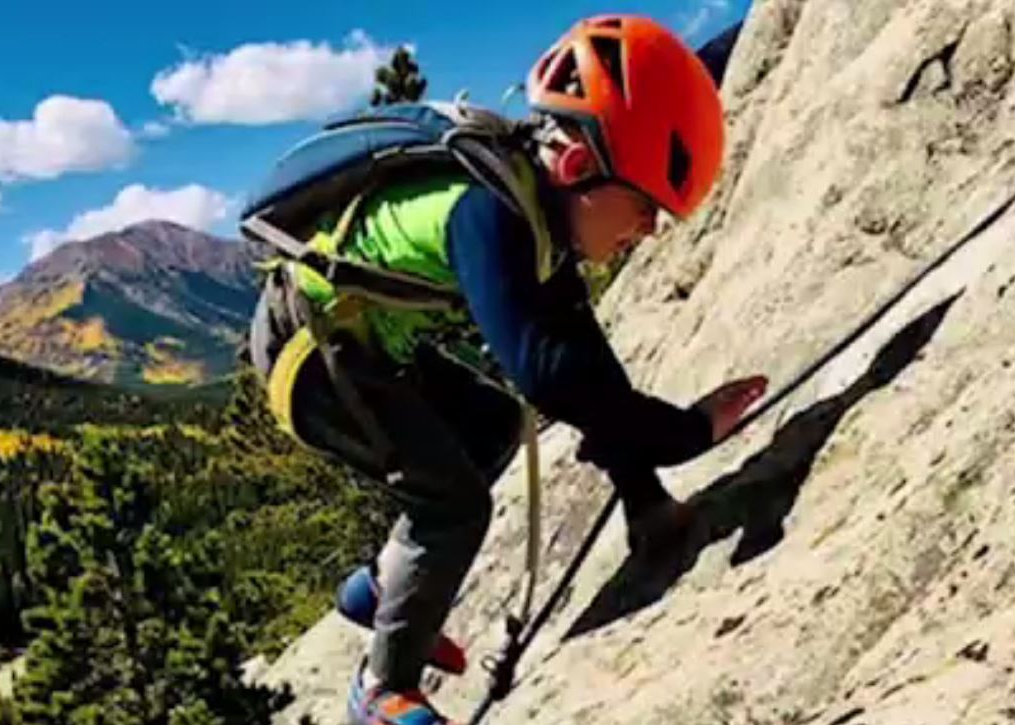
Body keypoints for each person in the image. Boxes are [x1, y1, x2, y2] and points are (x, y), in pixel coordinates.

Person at [248, 14, 767, 725]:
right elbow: (549, 375)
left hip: (360, 341)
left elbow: (584, 358)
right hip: (309, 354)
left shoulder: (535, 210)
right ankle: (380, 687)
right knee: (452, 502)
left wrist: (644, 497)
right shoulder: (486, 214)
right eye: (645, 206)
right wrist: (686, 432)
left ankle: (380, 593)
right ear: (578, 168)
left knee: (492, 429)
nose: (648, 230)